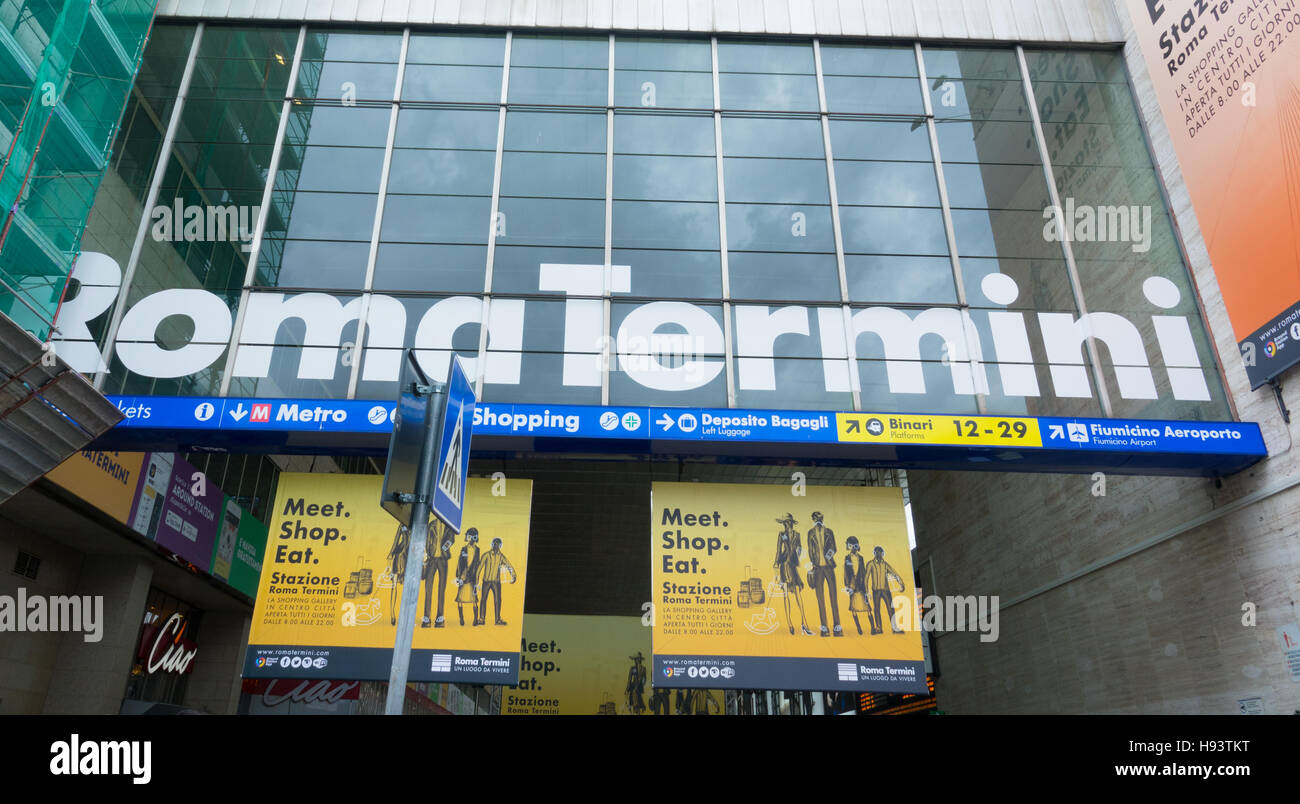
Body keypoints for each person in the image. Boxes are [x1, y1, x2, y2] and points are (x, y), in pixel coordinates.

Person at [773, 513, 813, 636]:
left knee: (797, 592)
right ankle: (790, 623)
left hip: (793, 565)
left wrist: (797, 556)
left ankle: (804, 622)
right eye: (784, 523)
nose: (786, 525)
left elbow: (800, 548)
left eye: (787, 522)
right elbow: (778, 549)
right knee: (785, 594)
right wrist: (775, 563)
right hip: (784, 564)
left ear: (790, 523)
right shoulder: (781, 535)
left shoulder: (797, 535)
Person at [806, 511, 843, 637]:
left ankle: (837, 627)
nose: (818, 520)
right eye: (816, 518)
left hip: (829, 567)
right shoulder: (810, 533)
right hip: (817, 569)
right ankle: (824, 628)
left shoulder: (829, 532)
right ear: (813, 519)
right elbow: (810, 550)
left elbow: (834, 548)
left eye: (820, 518)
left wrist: (827, 558)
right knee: (820, 599)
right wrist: (814, 563)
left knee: (833, 598)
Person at [476, 536, 516, 626]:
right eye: (495, 544)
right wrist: (476, 580)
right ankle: (481, 619)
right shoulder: (486, 555)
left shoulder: (501, 556)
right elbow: (479, 568)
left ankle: (497, 620)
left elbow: (508, 565)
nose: (496, 546)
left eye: (498, 544)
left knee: (498, 600)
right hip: (486, 582)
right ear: (492, 544)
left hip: (496, 582)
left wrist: (514, 575)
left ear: (500, 546)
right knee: (483, 600)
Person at [866, 545, 905, 635]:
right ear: (875, 553)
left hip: (886, 590)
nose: (879, 555)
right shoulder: (871, 564)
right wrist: (867, 591)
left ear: (882, 554)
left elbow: (894, 573)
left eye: (881, 553)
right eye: (877, 553)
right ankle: (879, 628)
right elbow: (866, 578)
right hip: (876, 591)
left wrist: (901, 583)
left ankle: (895, 628)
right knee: (876, 609)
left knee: (891, 609)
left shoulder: (885, 564)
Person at [422, 520, 454, 628]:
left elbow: (451, 539)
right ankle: (427, 618)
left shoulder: (449, 526)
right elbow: (426, 540)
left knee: (441, 589)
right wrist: (427, 553)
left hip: (443, 559)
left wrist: (443, 549)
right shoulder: (432, 524)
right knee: (428, 588)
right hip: (431, 559)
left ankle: (439, 618)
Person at [841, 536, 870, 635]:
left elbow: (864, 571)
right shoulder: (847, 558)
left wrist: (865, 583)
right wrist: (847, 585)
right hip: (852, 585)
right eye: (850, 545)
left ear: (858, 546)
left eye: (855, 545)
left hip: (861, 583)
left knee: (867, 606)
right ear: (848, 546)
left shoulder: (861, 558)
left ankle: (873, 627)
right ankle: (859, 628)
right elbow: (845, 572)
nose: (853, 548)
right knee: (853, 607)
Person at [454, 528, 481, 626]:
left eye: (473, 537)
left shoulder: (477, 550)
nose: (471, 539)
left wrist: (477, 578)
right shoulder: (463, 549)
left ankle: (475, 619)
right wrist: (458, 575)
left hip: (472, 577)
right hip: (463, 576)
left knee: (474, 599)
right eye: (469, 537)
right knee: (460, 598)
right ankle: (461, 619)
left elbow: (478, 564)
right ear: (467, 537)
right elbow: (459, 562)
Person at [386, 524, 409, 626]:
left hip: (410, 557)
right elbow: (396, 540)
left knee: (407, 588)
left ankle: (405, 615)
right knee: (394, 586)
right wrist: (390, 554)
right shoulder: (402, 525)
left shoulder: (418, 523)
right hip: (400, 556)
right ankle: (392, 613)